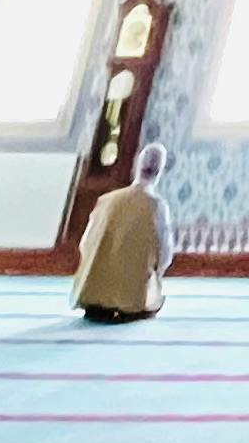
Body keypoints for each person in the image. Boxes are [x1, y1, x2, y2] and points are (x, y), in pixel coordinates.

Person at [72, 137, 177, 322]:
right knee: (150, 295)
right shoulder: (157, 206)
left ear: (136, 167)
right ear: (159, 172)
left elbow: (85, 244)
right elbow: (165, 255)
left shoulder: (106, 200)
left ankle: (97, 297)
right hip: (134, 300)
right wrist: (155, 275)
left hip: (91, 294)